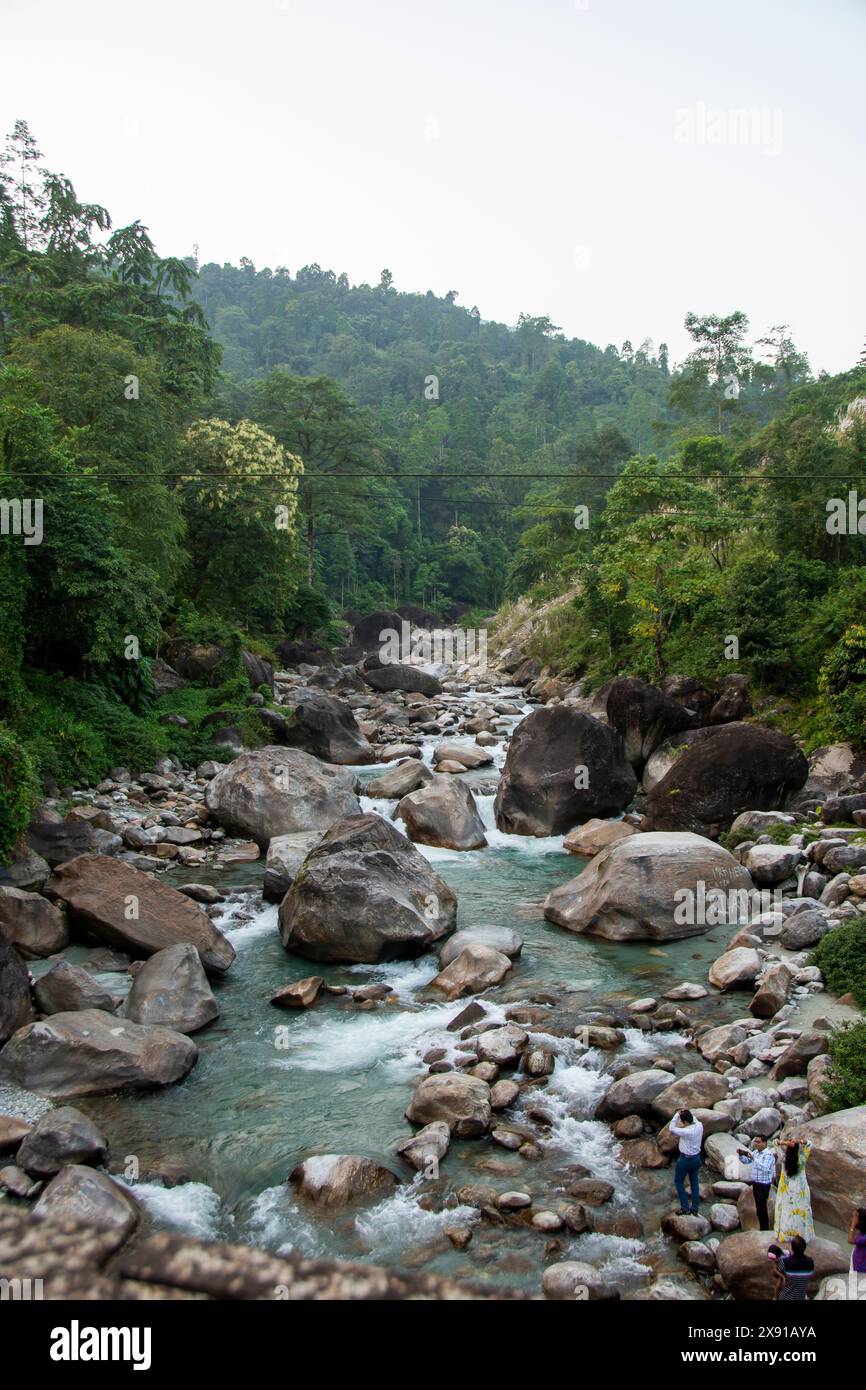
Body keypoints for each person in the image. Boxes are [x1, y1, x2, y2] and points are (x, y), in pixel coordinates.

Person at [773, 1137, 814, 1243]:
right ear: (797, 1150)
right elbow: (809, 1144)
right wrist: (799, 1141)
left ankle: (786, 1235)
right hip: (800, 1191)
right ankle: (801, 1236)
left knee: (787, 1213)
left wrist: (784, 1142)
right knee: (801, 1212)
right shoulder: (802, 1159)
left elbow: (775, 1143)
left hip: (786, 1192)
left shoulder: (783, 1159)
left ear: (787, 1149)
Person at [737, 1136, 776, 1230]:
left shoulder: (768, 1154)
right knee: (759, 1207)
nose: (756, 1144)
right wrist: (741, 1155)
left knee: (761, 1207)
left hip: (764, 1184)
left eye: (758, 1142)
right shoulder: (755, 1153)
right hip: (756, 1183)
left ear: (764, 1143)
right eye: (755, 1142)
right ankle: (762, 1227)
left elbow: (765, 1168)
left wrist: (754, 1158)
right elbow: (746, 1161)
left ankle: (764, 1228)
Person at [670, 1107, 704, 1216]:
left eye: (682, 1121)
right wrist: (685, 1111)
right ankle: (694, 1208)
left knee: (679, 1182)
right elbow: (692, 1118)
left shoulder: (686, 1131)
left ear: (685, 1122)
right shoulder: (700, 1125)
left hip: (685, 1160)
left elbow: (671, 1128)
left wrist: (676, 1115)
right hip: (697, 1159)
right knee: (694, 1183)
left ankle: (685, 1208)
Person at [769, 1236, 815, 1301]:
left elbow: (775, 1273)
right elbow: (809, 1274)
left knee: (780, 1277)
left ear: (792, 1248)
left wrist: (775, 1264)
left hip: (786, 1297)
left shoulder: (785, 1262)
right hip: (801, 1297)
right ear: (804, 1248)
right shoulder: (810, 1262)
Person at [848, 1208, 866, 1275]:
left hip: (860, 1267)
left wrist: (853, 1224)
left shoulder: (864, 1238)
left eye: (856, 1217)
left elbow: (850, 1240)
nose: (854, 1218)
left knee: (855, 1283)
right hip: (858, 1263)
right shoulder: (862, 1233)